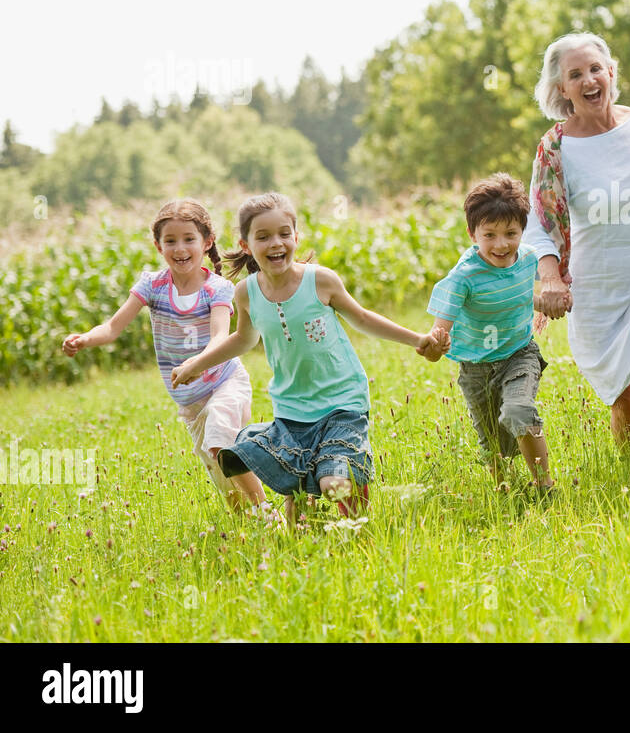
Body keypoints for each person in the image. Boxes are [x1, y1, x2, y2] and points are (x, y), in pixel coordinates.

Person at [170, 192, 433, 523]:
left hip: (342, 401)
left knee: (334, 483)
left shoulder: (319, 280)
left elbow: (363, 318)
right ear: (246, 244)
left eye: (283, 233)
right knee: (296, 502)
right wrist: (196, 365)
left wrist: (418, 340)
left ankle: (357, 522)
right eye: (263, 236)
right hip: (292, 409)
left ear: (296, 237)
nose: (275, 242)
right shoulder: (247, 293)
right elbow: (242, 339)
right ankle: (305, 545)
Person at [524, 33, 630, 464]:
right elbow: (539, 222)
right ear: (561, 88)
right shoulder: (556, 147)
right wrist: (548, 276)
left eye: (595, 69)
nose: (589, 80)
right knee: (627, 400)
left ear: (611, 72)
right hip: (597, 286)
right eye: (575, 74)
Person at [62, 199, 269, 513]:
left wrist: (196, 364)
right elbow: (113, 327)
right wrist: (84, 339)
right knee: (221, 472)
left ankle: (269, 513)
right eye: (170, 241)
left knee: (220, 442)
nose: (180, 247)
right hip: (189, 399)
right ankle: (247, 526)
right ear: (158, 246)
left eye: (189, 239)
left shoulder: (217, 288)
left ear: (207, 242)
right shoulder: (152, 285)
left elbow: (219, 337)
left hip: (226, 383)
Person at [419, 174, 555, 491]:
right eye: (489, 235)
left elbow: (541, 284)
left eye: (511, 233)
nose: (501, 244)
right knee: (495, 445)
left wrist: (545, 300)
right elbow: (439, 331)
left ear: (523, 231)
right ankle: (506, 492)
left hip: (519, 352)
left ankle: (544, 487)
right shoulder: (463, 277)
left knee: (519, 411)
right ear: (472, 234)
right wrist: (437, 344)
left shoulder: (529, 258)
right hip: (476, 367)